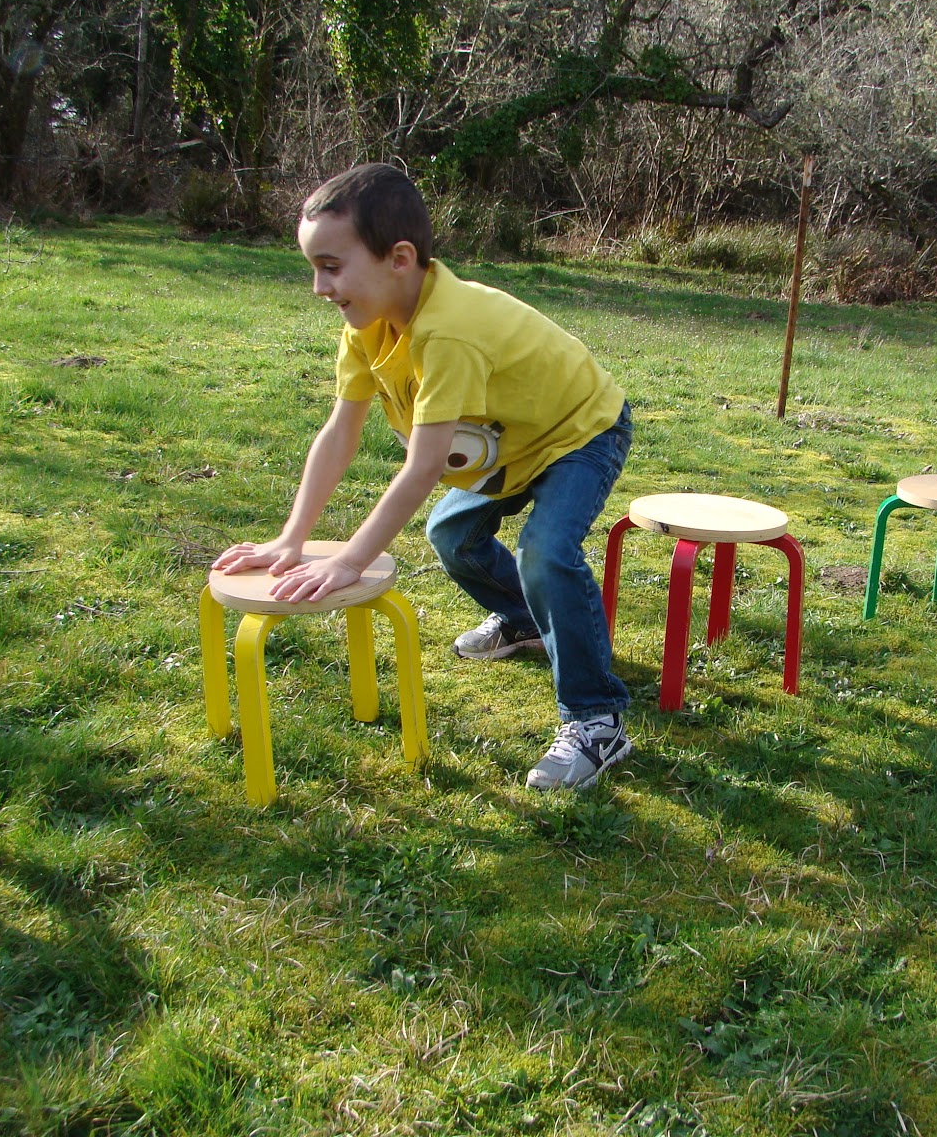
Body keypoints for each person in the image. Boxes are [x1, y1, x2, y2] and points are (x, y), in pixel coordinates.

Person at [212, 163, 634, 791]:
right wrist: (291, 537)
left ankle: (597, 718)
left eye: (331, 266)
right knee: (451, 534)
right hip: (510, 444)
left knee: (545, 552)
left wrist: (351, 560)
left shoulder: (448, 334)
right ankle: (526, 620)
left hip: (578, 432)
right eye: (314, 268)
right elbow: (340, 432)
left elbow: (424, 465)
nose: (319, 287)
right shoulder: (368, 327)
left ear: (399, 259)